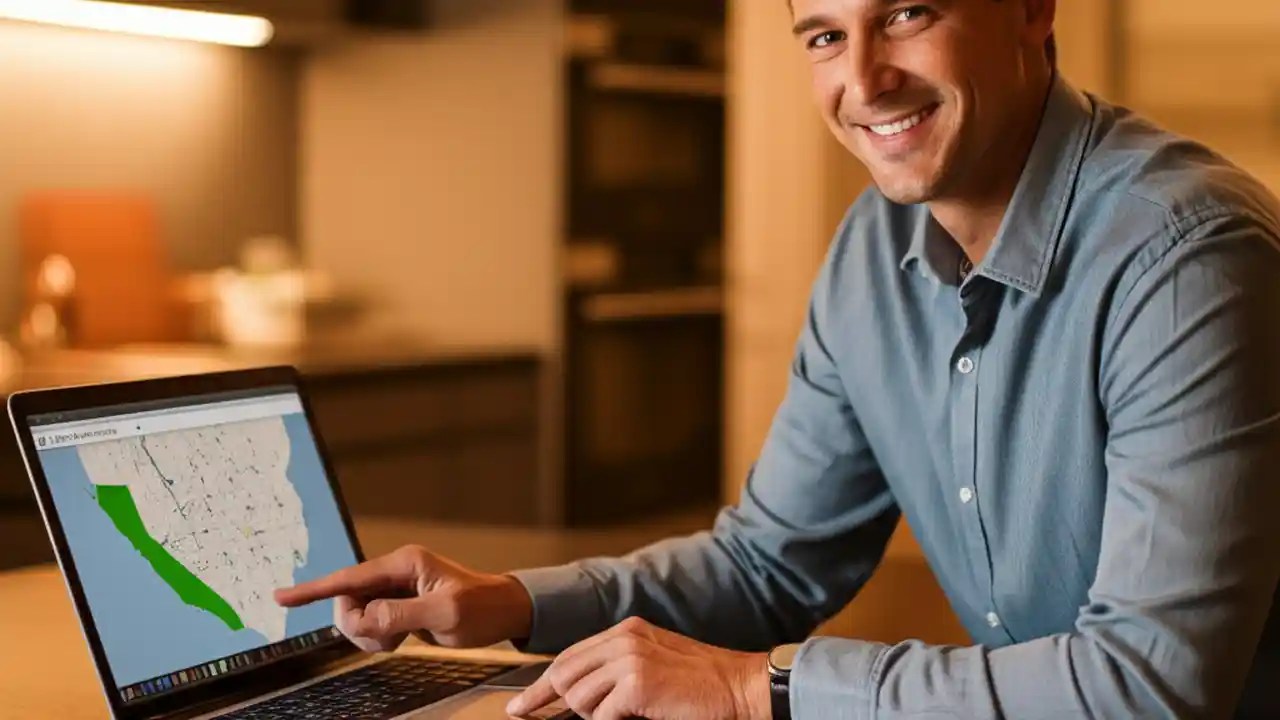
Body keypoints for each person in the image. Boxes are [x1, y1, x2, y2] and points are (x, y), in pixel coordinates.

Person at [275, 0, 1280, 717]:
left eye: (906, 16)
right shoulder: (869, 256)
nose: (860, 80)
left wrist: (755, 687)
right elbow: (768, 562)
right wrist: (511, 602)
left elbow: (1148, 683)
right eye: (823, 36)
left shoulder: (1184, 258)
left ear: (1027, 11)